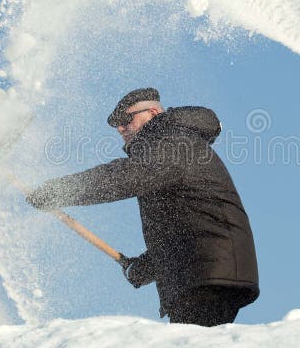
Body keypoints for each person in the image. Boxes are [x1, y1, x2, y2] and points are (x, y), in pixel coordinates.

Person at [26, 87, 259, 326]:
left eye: (127, 119)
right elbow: (179, 229)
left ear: (154, 112)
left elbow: (125, 176)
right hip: (202, 271)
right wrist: (147, 266)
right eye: (117, 124)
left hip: (208, 272)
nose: (121, 128)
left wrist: (60, 191)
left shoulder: (173, 139)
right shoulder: (167, 147)